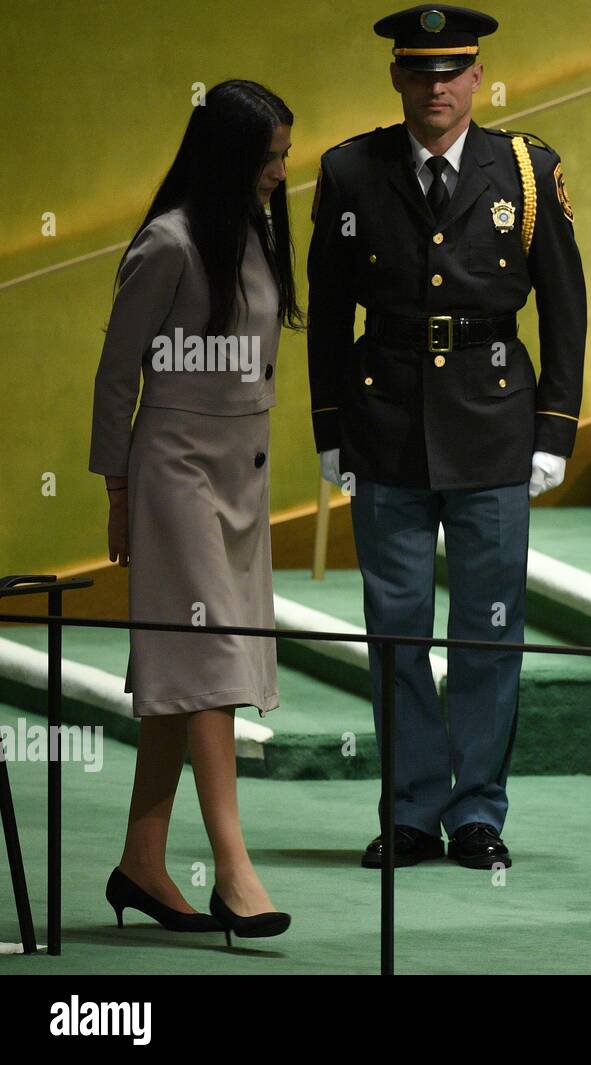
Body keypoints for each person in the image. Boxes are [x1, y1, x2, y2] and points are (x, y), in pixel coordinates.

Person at [307, 4, 586, 870]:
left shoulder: (528, 172)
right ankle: (409, 811)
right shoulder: (351, 170)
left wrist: (556, 428)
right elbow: (326, 313)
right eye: (419, 72)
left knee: (488, 629)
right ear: (397, 77)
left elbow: (566, 306)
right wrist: (327, 426)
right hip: (385, 423)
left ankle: (476, 814)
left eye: (452, 72)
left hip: (495, 424)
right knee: (395, 627)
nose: (436, 87)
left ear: (478, 80)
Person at [89, 79, 296, 945]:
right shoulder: (166, 244)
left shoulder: (253, 227)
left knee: (183, 666)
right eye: (270, 158)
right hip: (174, 472)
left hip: (241, 477)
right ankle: (236, 873)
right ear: (228, 159)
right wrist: (117, 491)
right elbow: (115, 375)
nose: (282, 174)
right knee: (211, 660)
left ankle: (142, 858)